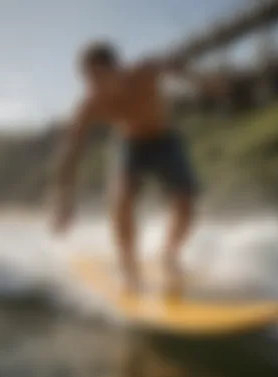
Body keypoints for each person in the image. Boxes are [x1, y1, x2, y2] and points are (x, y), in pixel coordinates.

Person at [52, 41, 201, 295]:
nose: (93, 86)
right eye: (87, 79)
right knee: (121, 199)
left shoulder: (143, 72)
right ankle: (129, 270)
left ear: (116, 69)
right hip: (130, 144)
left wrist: (205, 81)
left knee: (185, 201)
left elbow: (173, 67)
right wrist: (64, 200)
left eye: (99, 77)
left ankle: (169, 253)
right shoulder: (90, 104)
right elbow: (70, 153)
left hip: (165, 139)